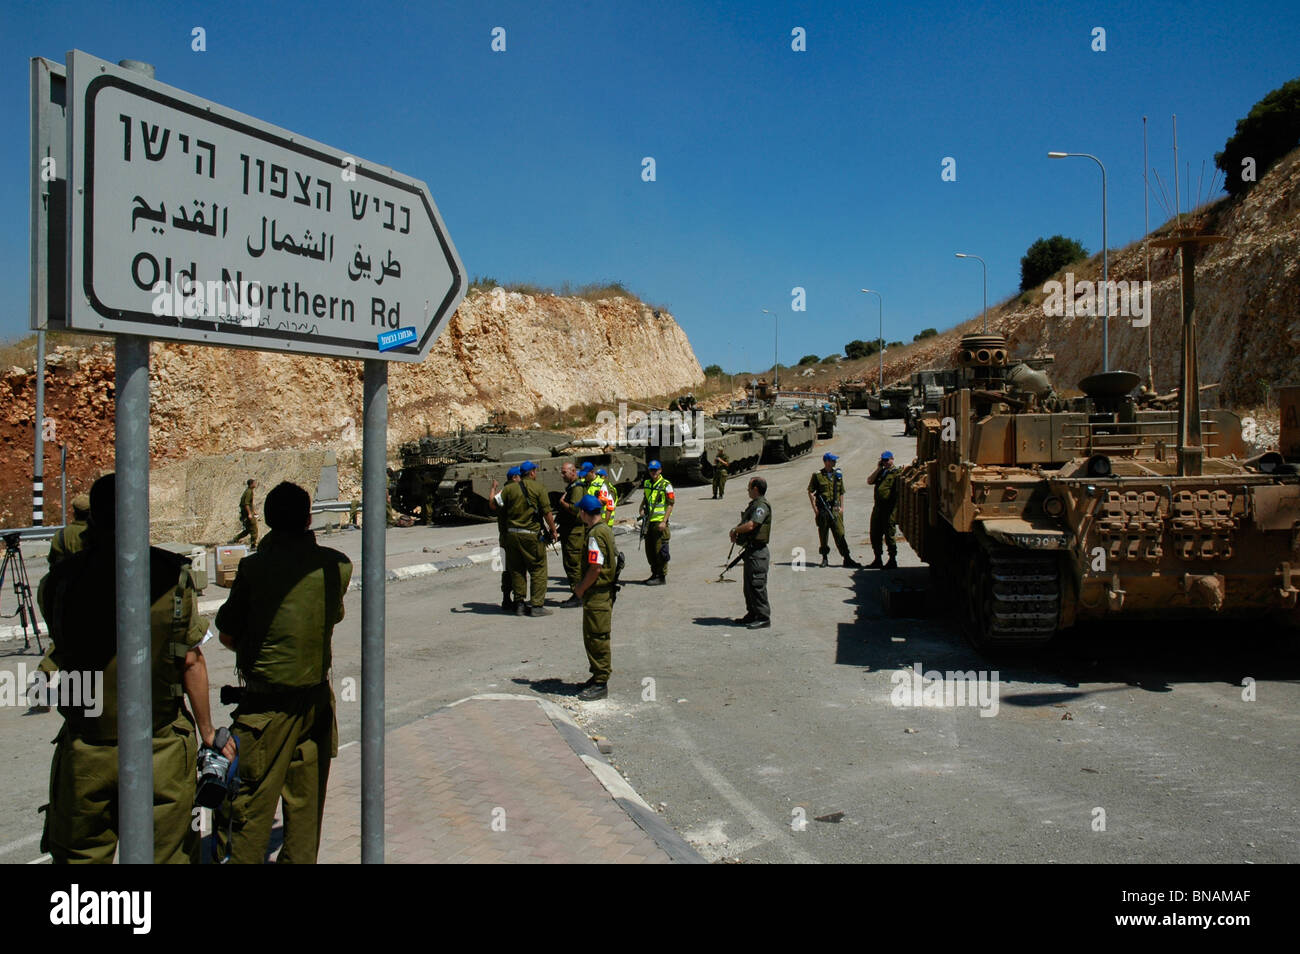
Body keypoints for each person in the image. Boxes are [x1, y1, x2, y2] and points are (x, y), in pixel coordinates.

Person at [37, 473, 231, 864]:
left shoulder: (59, 581)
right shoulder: (169, 577)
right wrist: (207, 731)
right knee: (169, 855)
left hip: (87, 746)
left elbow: (64, 650)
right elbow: (190, 659)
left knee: (80, 861)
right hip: (159, 746)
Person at [215, 481, 352, 864]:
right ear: (309, 518)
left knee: (249, 810)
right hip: (315, 704)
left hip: (265, 711)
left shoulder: (254, 568)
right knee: (307, 809)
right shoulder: (336, 565)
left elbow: (228, 632)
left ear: (269, 521)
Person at [493, 460, 558, 617]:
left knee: (516, 570)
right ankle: (536, 605)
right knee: (538, 569)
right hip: (530, 535)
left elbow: (495, 505)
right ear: (532, 473)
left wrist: (493, 489)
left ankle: (519, 604)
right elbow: (547, 512)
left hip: (511, 535)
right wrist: (553, 530)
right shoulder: (538, 488)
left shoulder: (508, 489)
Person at [573, 494, 618, 700]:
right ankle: (597, 675)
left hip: (597, 593)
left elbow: (596, 568)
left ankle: (601, 681)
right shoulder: (605, 530)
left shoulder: (594, 535)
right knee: (595, 635)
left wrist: (581, 588)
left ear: (583, 512)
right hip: (604, 592)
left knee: (596, 637)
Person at [729, 476, 772, 629]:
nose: (747, 490)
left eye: (749, 487)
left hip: (758, 552)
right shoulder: (754, 504)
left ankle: (763, 617)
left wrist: (735, 530)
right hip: (751, 551)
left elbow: (752, 525)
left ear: (755, 489)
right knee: (749, 586)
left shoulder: (762, 506)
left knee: (757, 585)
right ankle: (752, 613)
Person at [808, 453, 859, 568]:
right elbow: (811, 491)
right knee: (823, 534)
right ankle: (824, 558)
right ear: (826, 461)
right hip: (823, 509)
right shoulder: (818, 475)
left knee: (839, 532)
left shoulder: (838, 474)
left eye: (834, 461)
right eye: (832, 460)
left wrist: (842, 507)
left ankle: (847, 557)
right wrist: (815, 509)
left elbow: (841, 491)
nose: (834, 462)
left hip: (835, 507)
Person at [555, 462, 587, 607]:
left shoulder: (577, 488)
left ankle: (578, 595)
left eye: (564, 472)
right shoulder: (573, 487)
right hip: (570, 531)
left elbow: (575, 509)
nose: (562, 475)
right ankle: (578, 593)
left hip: (575, 532)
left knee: (573, 564)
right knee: (571, 563)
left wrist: (562, 503)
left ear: (573, 471)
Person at [490, 467, 523, 611]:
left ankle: (506, 598)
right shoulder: (517, 491)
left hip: (504, 537)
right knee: (518, 568)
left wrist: (493, 488)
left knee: (506, 569)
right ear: (515, 477)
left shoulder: (501, 493)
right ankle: (519, 600)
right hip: (516, 535)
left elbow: (492, 504)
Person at [639, 460, 674, 585]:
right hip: (649, 522)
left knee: (660, 550)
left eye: (655, 470)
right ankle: (654, 573)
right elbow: (646, 498)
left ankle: (661, 576)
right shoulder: (648, 483)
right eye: (651, 470)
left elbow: (670, 504)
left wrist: (664, 521)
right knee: (650, 550)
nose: (653, 472)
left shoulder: (666, 485)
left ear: (660, 470)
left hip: (660, 522)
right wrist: (641, 508)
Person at [867, 450, 901, 569]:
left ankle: (892, 559)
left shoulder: (897, 473)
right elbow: (869, 481)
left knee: (889, 534)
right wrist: (878, 469)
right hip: (878, 508)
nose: (885, 462)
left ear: (892, 459)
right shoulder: (881, 472)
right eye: (883, 460)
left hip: (889, 509)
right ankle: (878, 559)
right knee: (875, 534)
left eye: (887, 460)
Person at [47, 493, 91, 568]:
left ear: (74, 513)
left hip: (68, 577)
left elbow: (53, 561)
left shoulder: (61, 535)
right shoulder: (100, 533)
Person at [230, 478, 259, 549]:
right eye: (254, 483)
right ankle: (253, 545)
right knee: (254, 529)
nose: (255, 484)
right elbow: (246, 504)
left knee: (248, 530)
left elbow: (250, 503)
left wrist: (254, 511)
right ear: (251, 484)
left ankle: (235, 539)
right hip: (247, 513)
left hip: (247, 512)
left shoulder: (249, 491)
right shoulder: (249, 492)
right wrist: (249, 513)